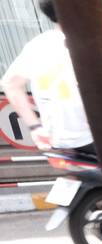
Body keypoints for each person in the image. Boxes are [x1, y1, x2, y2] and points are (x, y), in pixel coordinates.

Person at [0, 1, 91, 153]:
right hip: (96, 138)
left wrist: (34, 126)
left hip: (60, 141)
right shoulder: (92, 44)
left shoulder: (39, 45)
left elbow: (10, 83)